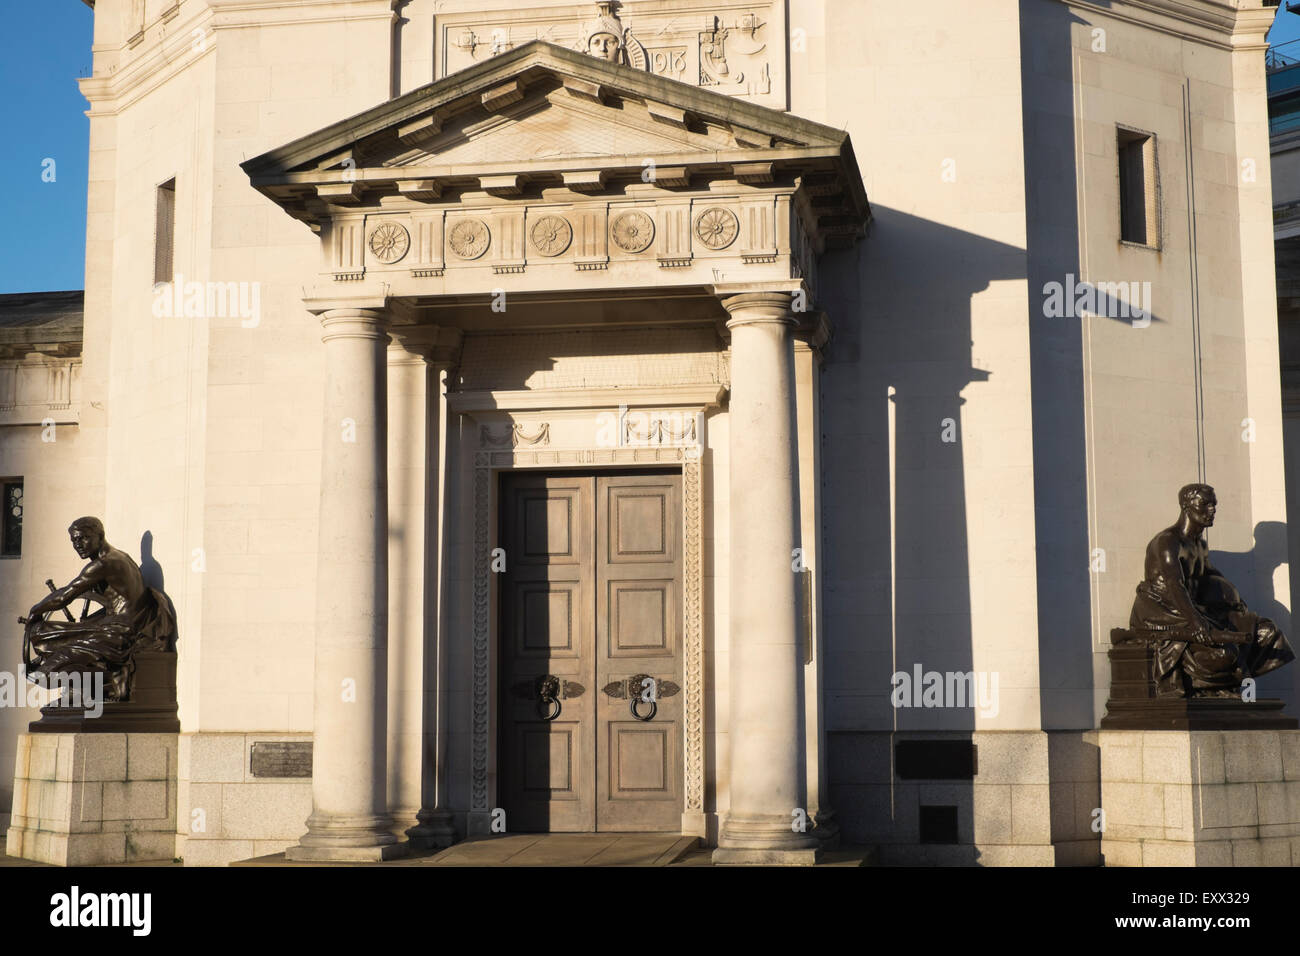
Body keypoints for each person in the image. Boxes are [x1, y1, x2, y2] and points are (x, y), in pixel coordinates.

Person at [1125, 484, 1293, 697]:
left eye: (1214, 504)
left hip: (1196, 609)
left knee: (1267, 632)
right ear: (1186, 506)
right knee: (1225, 653)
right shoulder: (1167, 542)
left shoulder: (1199, 545)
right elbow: (1174, 585)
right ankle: (1213, 686)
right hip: (1164, 611)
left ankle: (1221, 685)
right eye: (1205, 504)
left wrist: (1238, 605)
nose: (1212, 509)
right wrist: (1196, 622)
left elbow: (1213, 576)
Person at [23, 517, 177, 703]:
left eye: (84, 538)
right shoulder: (121, 556)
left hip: (120, 633)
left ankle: (108, 680)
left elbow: (66, 595)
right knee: (45, 633)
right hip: (114, 624)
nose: (78, 545)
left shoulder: (104, 563)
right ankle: (88, 683)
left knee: (54, 659)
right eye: (74, 540)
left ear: (100, 536)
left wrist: (35, 610)